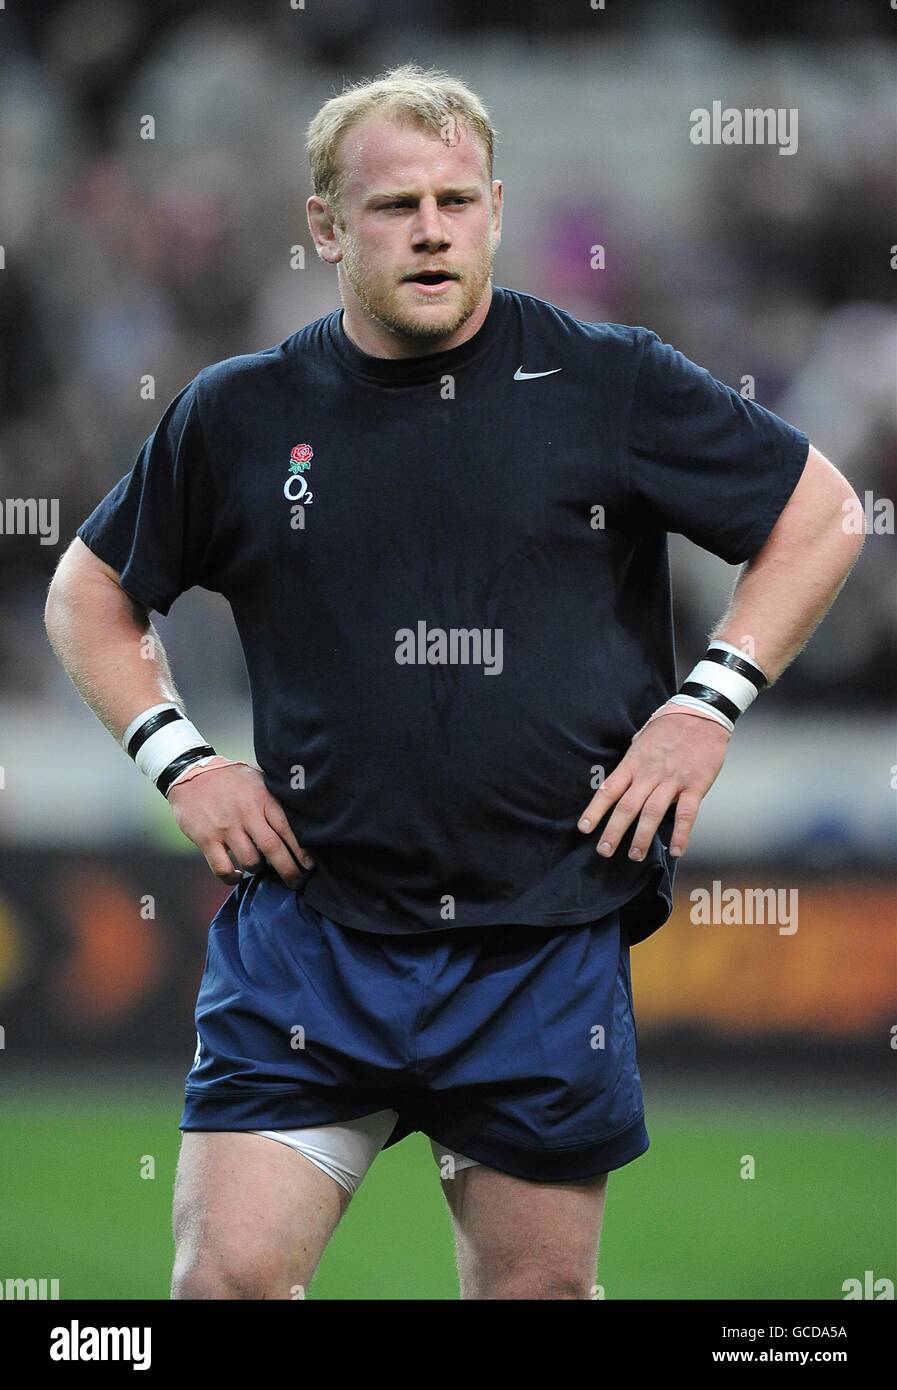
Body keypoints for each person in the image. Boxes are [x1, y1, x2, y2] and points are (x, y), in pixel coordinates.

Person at [43, 62, 864, 1300]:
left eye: (456, 199)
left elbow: (824, 515)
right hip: (309, 929)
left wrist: (707, 703)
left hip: (542, 934)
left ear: (492, 208)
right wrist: (182, 760)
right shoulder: (239, 413)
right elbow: (89, 594)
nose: (431, 228)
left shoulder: (610, 380)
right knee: (223, 1285)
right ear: (326, 225)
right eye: (393, 205)